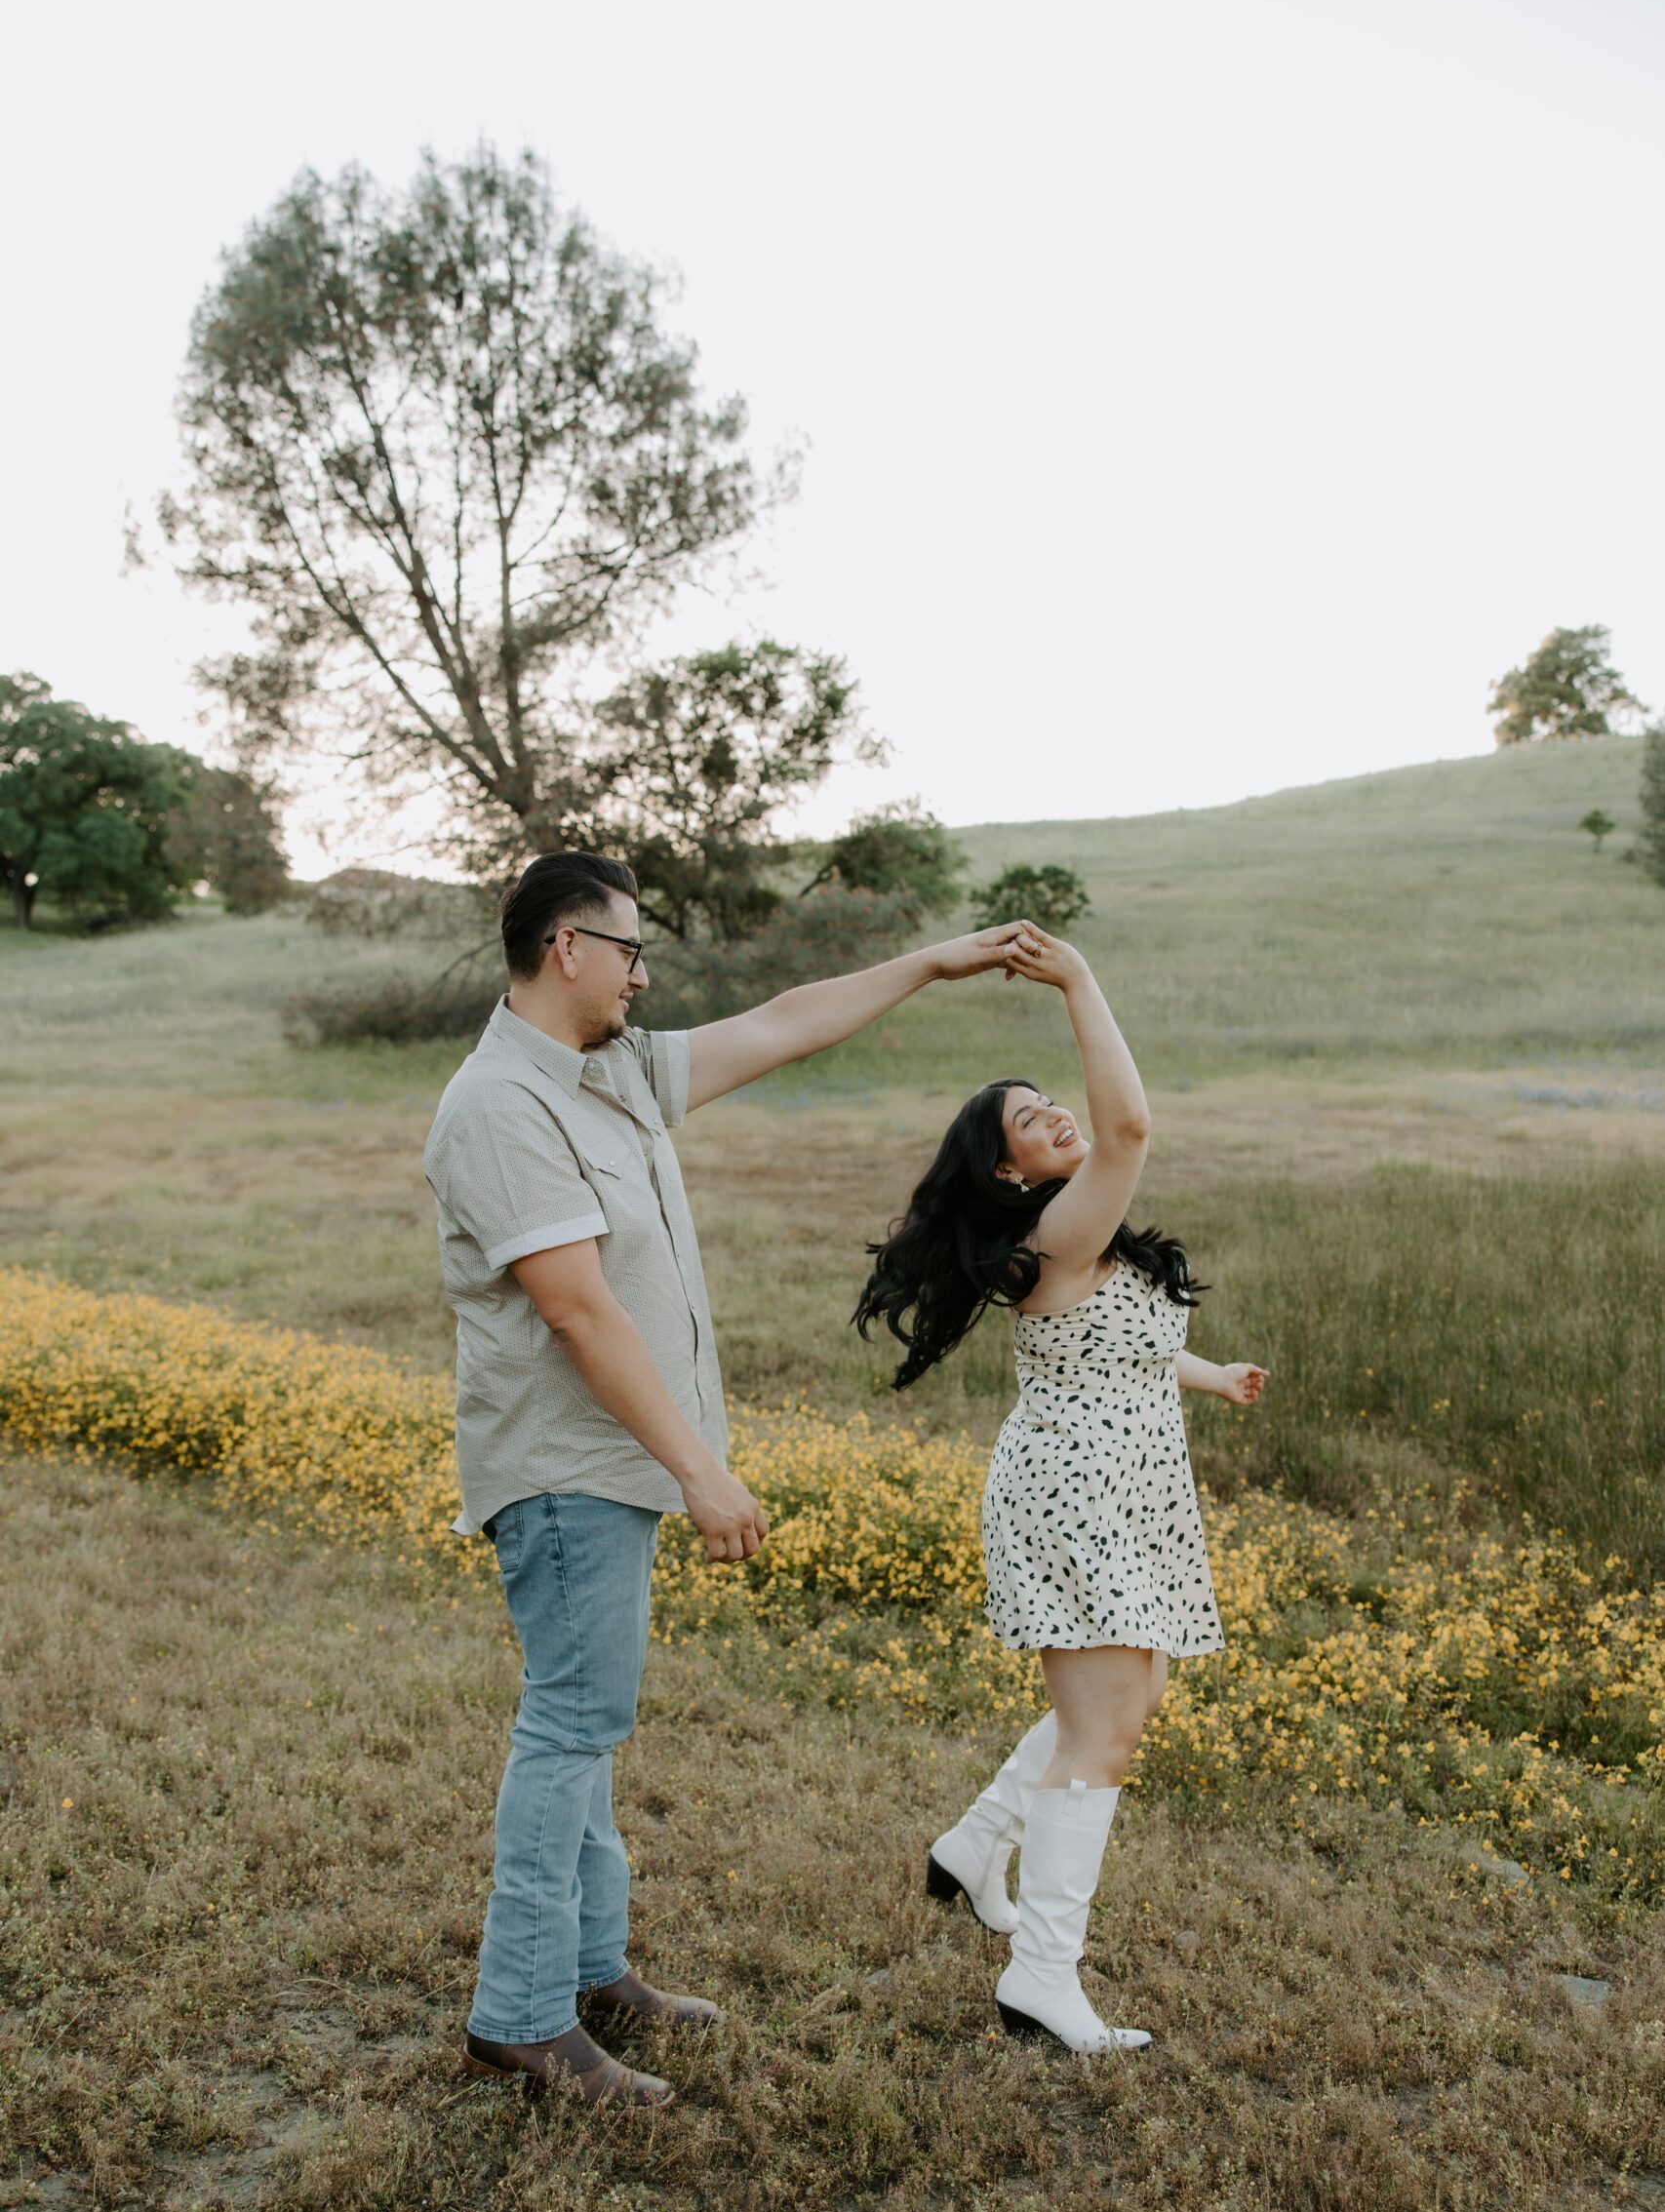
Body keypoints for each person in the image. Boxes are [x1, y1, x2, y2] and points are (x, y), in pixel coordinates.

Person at [424, 849, 1031, 2110]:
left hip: (608, 1466)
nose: (644, 972)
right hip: (567, 1466)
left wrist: (929, 963)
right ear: (564, 949)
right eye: (629, 948)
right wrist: (700, 1470)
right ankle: (522, 2017)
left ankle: (589, 1971)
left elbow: (782, 1022)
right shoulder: (499, 1107)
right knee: (568, 1726)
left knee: (587, 1720)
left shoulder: (618, 1075)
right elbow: (581, 1314)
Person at [855, 925, 1266, 2055]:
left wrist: (1209, 1371)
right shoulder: (1054, 1233)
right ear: (1009, 1172)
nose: (1057, 1116)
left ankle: (978, 1844)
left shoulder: (1085, 1245)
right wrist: (1080, 978)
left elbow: (1117, 1347)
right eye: (1029, 1119)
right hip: (1073, 1498)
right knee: (1109, 1733)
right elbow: (1131, 1124)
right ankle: (1041, 1975)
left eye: (1049, 1101)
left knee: (1124, 1708)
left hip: (1124, 1490)